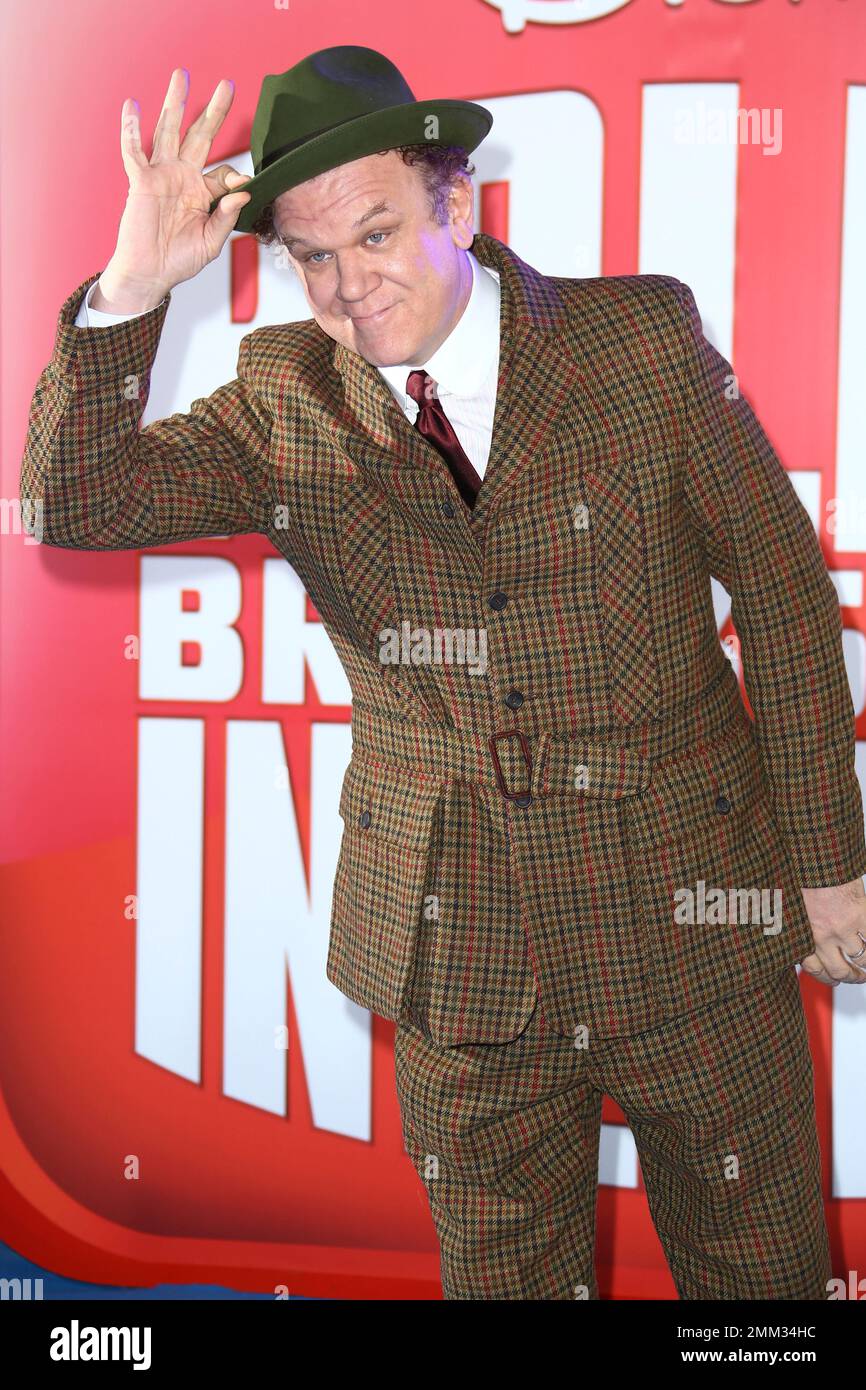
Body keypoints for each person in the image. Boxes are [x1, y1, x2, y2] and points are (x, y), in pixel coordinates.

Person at [20, 45, 866, 1301]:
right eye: (310, 257)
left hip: (696, 912)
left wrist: (829, 860)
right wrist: (132, 290)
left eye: (374, 234)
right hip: (458, 946)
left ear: (455, 203)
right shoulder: (281, 400)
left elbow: (787, 598)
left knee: (763, 1298)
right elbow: (65, 499)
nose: (349, 287)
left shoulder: (638, 339)